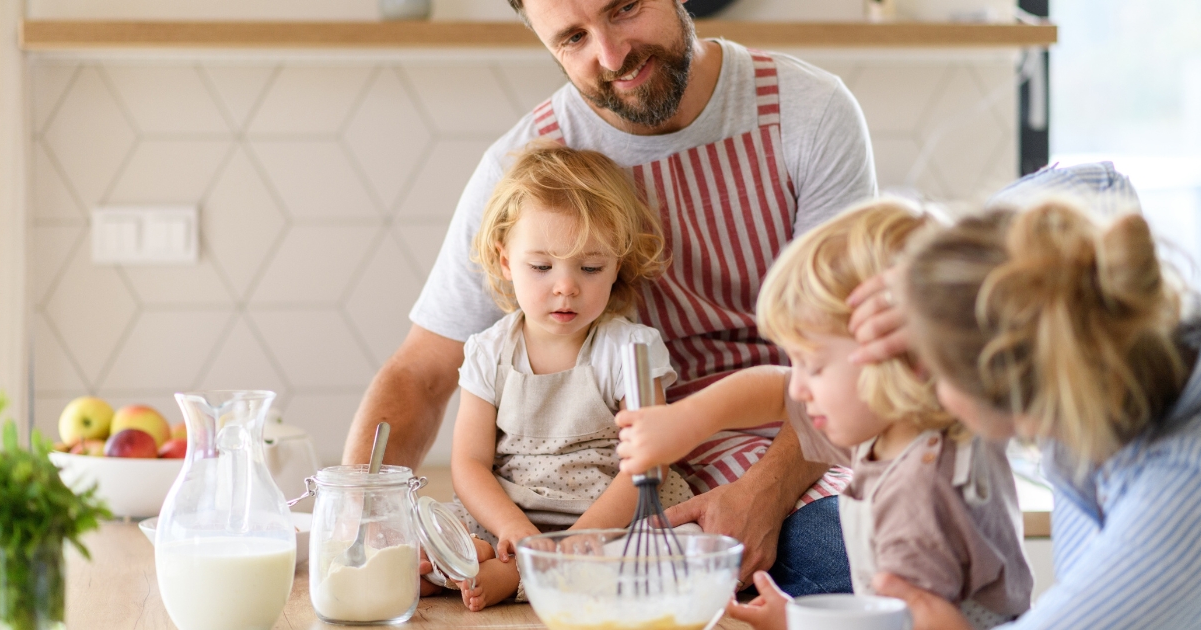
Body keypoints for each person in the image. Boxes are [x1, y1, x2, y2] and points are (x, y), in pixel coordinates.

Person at [345, 0, 876, 594]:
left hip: (783, 444)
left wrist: (765, 495)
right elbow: (421, 371)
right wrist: (357, 524)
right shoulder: (532, 169)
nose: (611, 54)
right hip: (615, 485)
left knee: (851, 574)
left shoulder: (807, 113)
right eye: (573, 38)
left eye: (623, 7)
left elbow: (846, 360)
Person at [616, 201, 1033, 630]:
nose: (798, 386)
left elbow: (918, 625)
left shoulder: (917, 499)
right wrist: (686, 421)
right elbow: (777, 392)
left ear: (899, 358)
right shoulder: (895, 426)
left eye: (813, 367)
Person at [867, 199, 1201, 628]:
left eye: (931, 372)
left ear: (1014, 401)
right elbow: (1072, 186)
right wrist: (932, 283)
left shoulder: (1190, 498)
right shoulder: (1130, 323)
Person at [446, 142, 693, 610]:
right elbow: (468, 465)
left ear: (617, 263)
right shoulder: (488, 352)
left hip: (606, 513)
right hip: (513, 508)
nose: (565, 286)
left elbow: (648, 464)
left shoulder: (630, 350)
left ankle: (512, 575)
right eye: (541, 267)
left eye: (591, 267)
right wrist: (513, 529)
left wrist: (576, 542)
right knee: (431, 526)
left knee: (687, 541)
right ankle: (498, 560)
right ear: (505, 261)